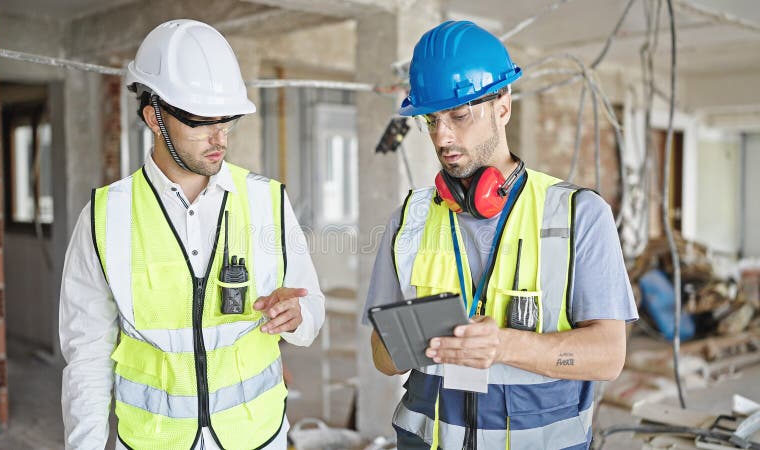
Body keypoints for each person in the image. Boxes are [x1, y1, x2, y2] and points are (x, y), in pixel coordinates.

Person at [365, 21, 637, 449]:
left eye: (459, 115)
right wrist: (421, 338)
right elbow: (382, 357)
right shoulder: (409, 218)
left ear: (503, 107)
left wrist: (505, 346)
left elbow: (607, 356)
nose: (442, 136)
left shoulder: (577, 213)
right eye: (430, 120)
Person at [59, 19, 325, 450]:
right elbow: (86, 356)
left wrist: (298, 318)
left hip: (257, 440)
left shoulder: (267, 201)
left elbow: (311, 310)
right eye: (202, 122)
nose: (220, 138)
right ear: (154, 116)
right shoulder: (105, 218)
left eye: (227, 121)